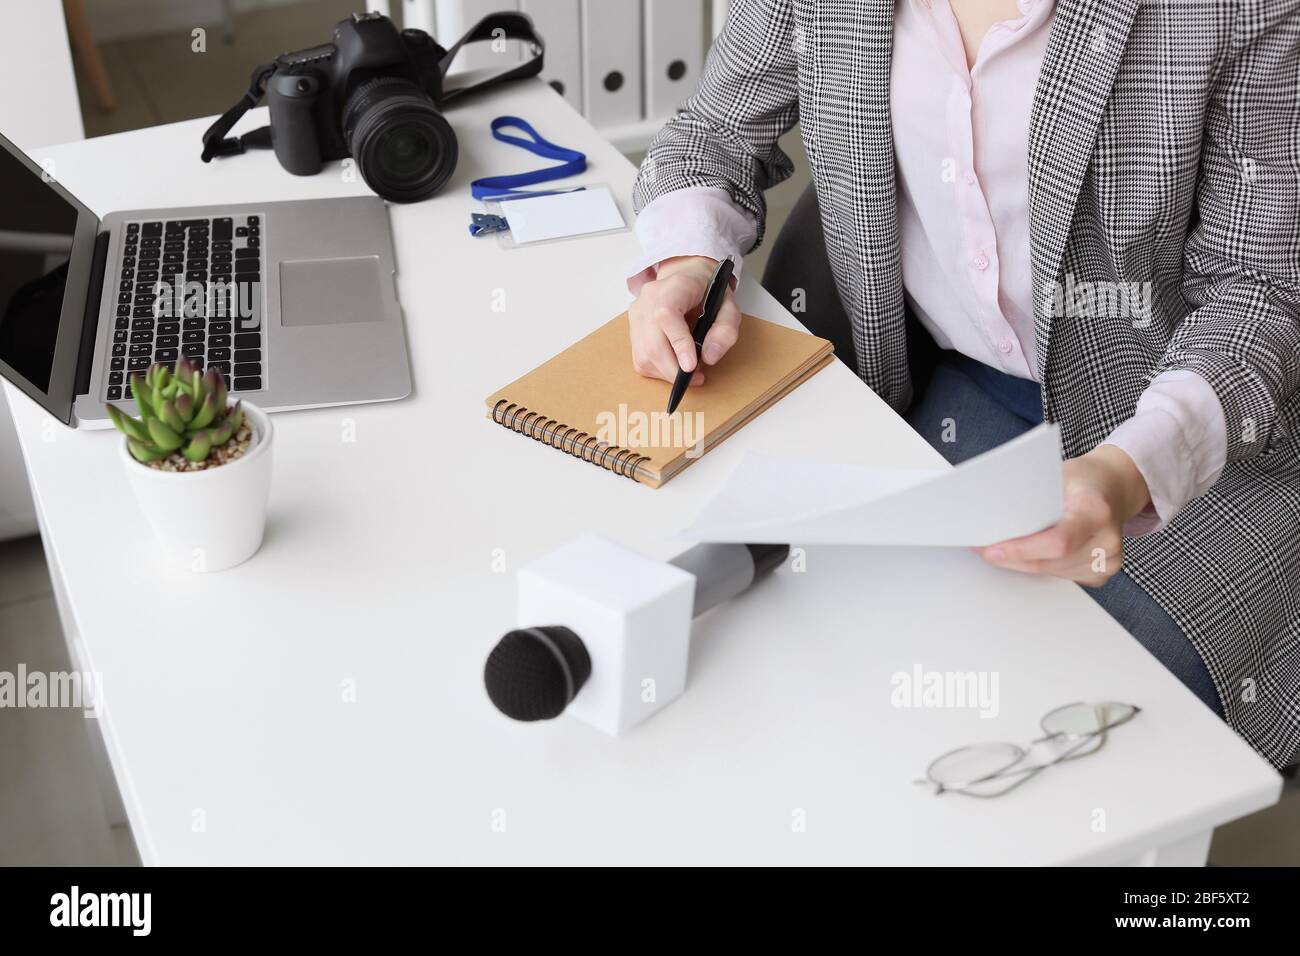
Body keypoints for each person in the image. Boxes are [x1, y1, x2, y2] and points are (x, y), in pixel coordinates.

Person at [626, 0, 1300, 769]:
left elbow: (1263, 288)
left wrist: (1128, 470)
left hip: (1210, 434)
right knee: (845, 673)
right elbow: (714, 131)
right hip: (957, 386)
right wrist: (686, 263)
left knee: (1093, 740)